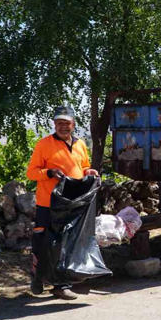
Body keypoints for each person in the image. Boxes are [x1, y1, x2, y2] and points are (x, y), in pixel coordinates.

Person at [26, 106, 99, 299]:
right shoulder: (44, 145)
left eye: (66, 123)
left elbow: (83, 166)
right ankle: (38, 276)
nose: (63, 127)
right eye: (59, 123)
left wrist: (88, 171)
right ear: (54, 125)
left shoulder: (80, 144)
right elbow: (31, 173)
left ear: (73, 124)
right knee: (43, 242)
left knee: (65, 244)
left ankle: (61, 284)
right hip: (48, 203)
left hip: (70, 203)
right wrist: (48, 173)